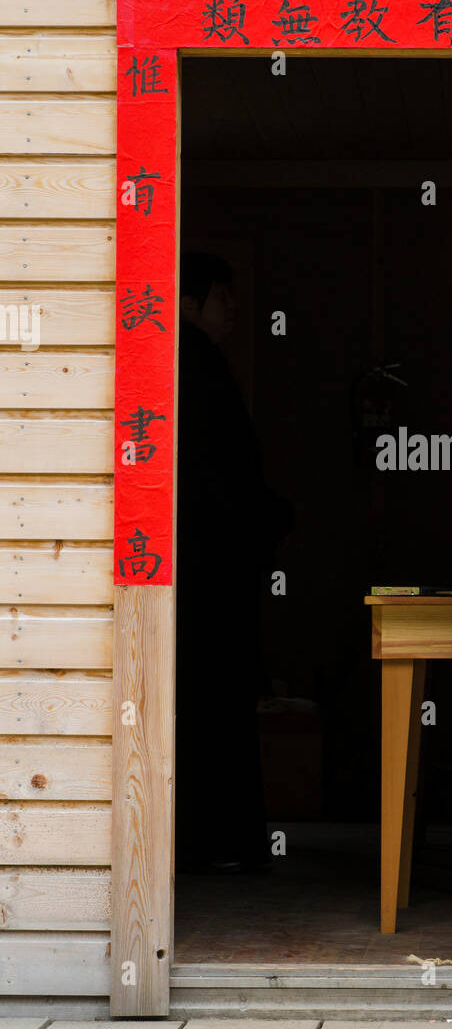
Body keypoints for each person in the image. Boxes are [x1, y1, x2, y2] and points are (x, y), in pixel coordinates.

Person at [175, 251, 291, 872]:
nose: (235, 309)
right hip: (212, 568)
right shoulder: (195, 364)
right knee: (216, 701)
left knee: (208, 700)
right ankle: (218, 842)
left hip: (207, 564)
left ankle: (207, 841)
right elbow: (221, 479)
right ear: (190, 302)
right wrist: (269, 517)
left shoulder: (194, 363)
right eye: (223, 296)